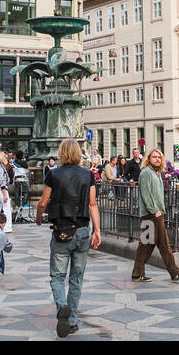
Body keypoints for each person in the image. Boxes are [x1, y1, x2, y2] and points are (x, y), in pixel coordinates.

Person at [36, 138, 101, 338]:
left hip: (61, 230)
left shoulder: (53, 174)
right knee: (76, 278)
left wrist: (39, 217)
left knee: (57, 275)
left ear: (62, 153)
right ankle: (72, 320)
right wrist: (97, 230)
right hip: (82, 230)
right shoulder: (88, 174)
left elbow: (43, 201)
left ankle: (62, 306)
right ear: (78, 153)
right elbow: (92, 204)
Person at [130, 148, 179, 284]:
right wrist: (154, 210)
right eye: (154, 157)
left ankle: (137, 274)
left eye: (159, 157)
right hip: (151, 214)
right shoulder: (146, 173)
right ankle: (174, 272)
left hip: (156, 213)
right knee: (164, 244)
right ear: (148, 159)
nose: (157, 159)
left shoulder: (156, 173)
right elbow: (146, 194)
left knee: (146, 244)